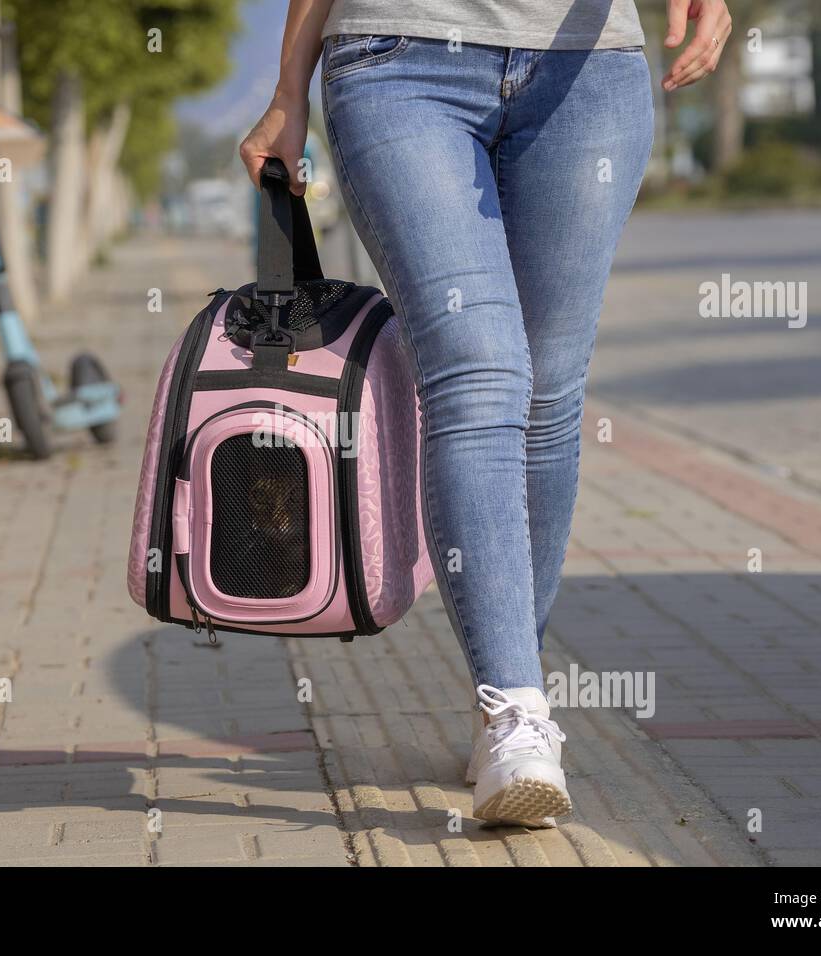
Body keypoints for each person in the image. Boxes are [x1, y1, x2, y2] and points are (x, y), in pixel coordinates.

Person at [239, 0, 731, 826]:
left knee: (546, 392)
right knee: (478, 373)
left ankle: (511, 694)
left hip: (587, 67)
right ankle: (515, 711)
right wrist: (289, 89)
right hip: (401, 57)